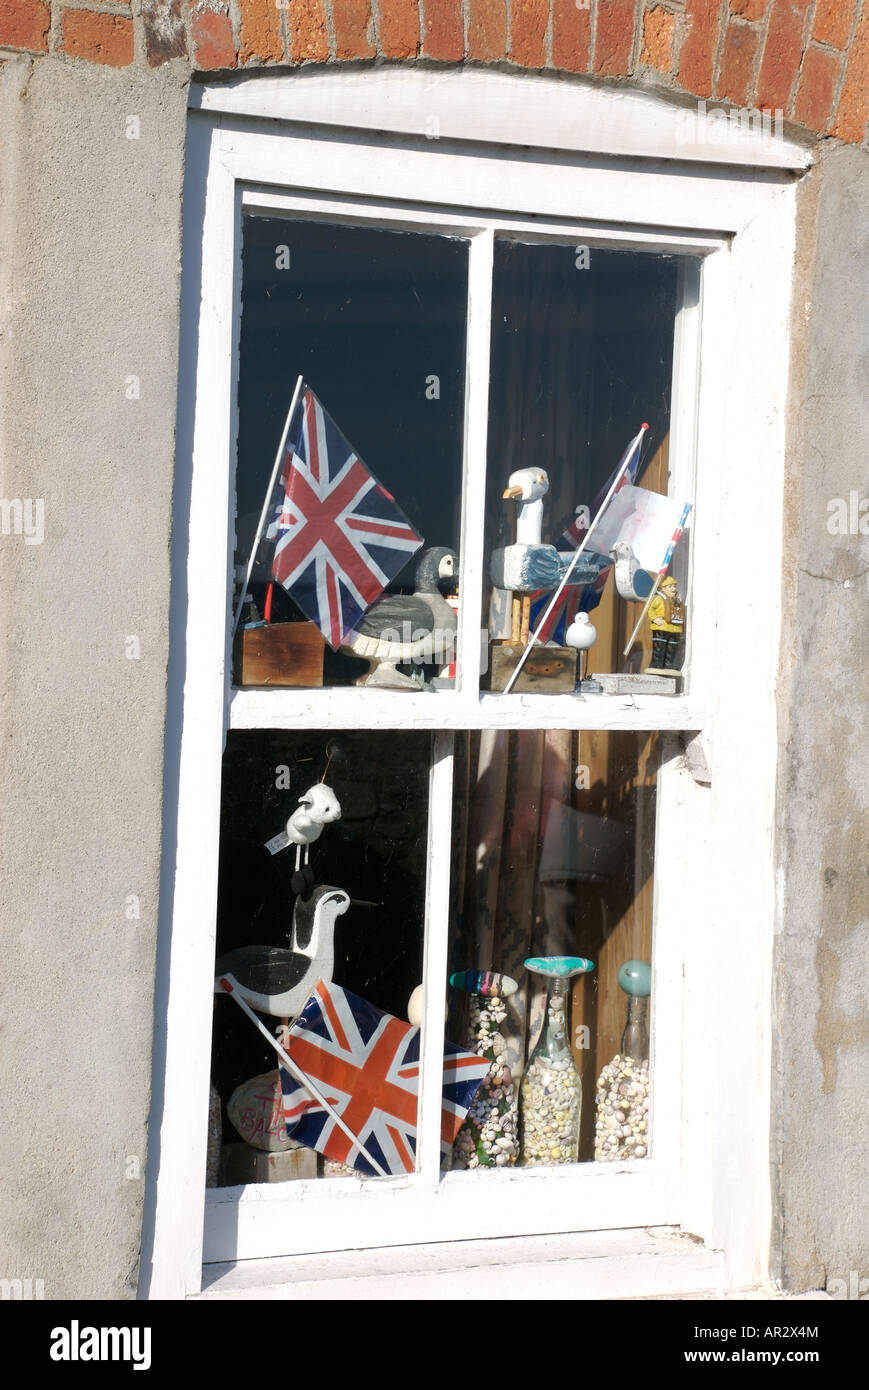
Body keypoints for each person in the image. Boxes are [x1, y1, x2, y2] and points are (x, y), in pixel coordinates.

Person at [646, 576, 685, 672]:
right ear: (663, 588)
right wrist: (655, 618)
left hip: (675, 629)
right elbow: (650, 609)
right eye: (670, 586)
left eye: (674, 586)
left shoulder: (677, 600)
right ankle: (657, 665)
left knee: (672, 649)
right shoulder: (659, 598)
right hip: (662, 627)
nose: (673, 589)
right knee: (659, 647)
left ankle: (669, 666)